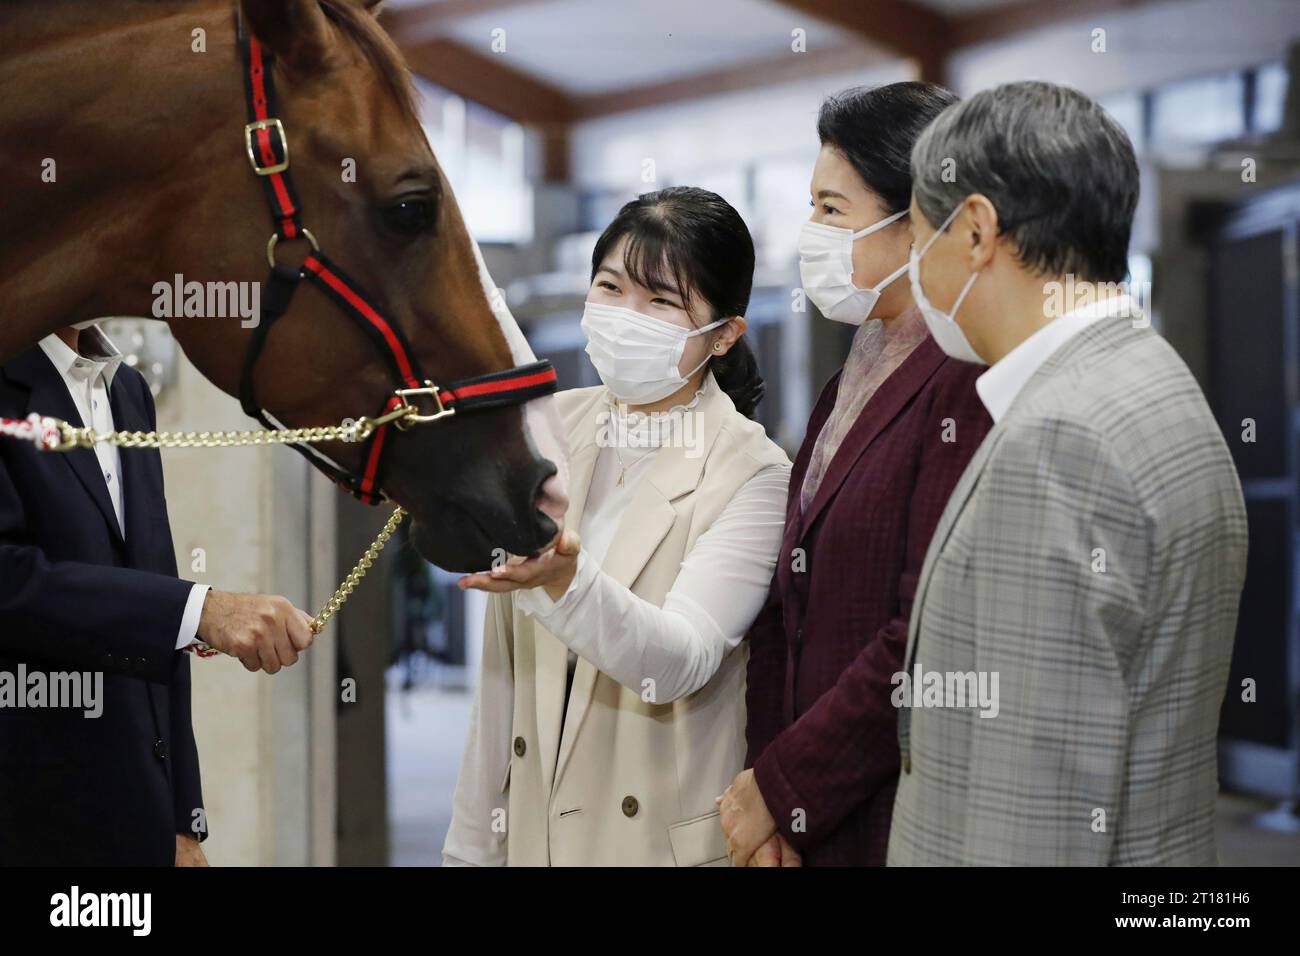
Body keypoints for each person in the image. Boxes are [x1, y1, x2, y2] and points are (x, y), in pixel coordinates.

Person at [888, 81, 1248, 865]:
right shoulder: (1154, 384)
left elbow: (1033, 809)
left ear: (977, 229)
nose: (915, 267)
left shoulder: (1060, 443)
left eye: (919, 237)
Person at [442, 187, 791, 866]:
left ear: (724, 335)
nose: (626, 316)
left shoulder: (751, 471)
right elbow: (499, 680)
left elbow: (679, 660)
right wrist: (469, 848)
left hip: (649, 843)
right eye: (610, 286)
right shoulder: (543, 429)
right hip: (532, 837)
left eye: (662, 302)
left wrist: (568, 584)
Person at [719, 82, 992, 867]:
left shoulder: (963, 379)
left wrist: (786, 786)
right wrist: (766, 787)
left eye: (832, 210)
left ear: (917, 219)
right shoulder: (853, 376)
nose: (811, 233)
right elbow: (785, 603)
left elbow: (924, 635)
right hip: (812, 817)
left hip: (892, 809)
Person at [0, 324, 316, 866]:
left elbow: (154, 584)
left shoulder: (128, 391)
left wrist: (181, 820)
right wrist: (203, 609)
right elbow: (10, 580)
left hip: (137, 820)